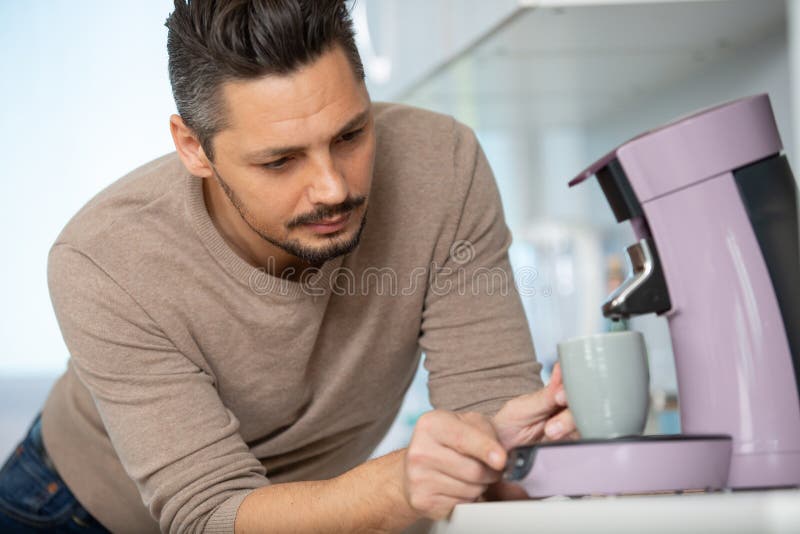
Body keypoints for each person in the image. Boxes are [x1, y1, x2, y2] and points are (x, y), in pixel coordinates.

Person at [0, 1, 576, 533]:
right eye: (279, 161)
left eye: (351, 133)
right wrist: (399, 485)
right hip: (77, 509)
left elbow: (493, 430)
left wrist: (535, 457)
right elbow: (209, 511)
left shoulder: (444, 167)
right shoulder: (103, 258)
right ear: (193, 147)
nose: (334, 188)